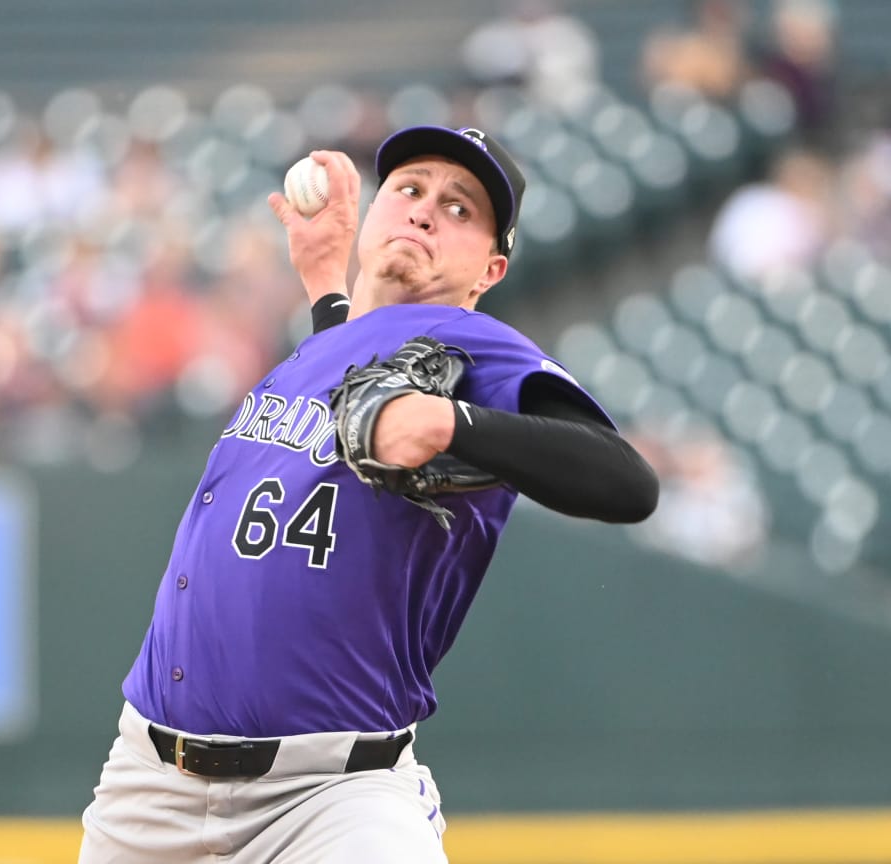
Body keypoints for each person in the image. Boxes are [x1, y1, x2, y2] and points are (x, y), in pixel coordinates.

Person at [78, 126, 660, 863]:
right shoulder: (322, 349)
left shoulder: (472, 345)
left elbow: (627, 481)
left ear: (490, 269)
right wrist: (326, 285)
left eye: (459, 208)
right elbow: (353, 360)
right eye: (410, 188)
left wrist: (450, 422)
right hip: (148, 787)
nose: (424, 210)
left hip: (330, 799)